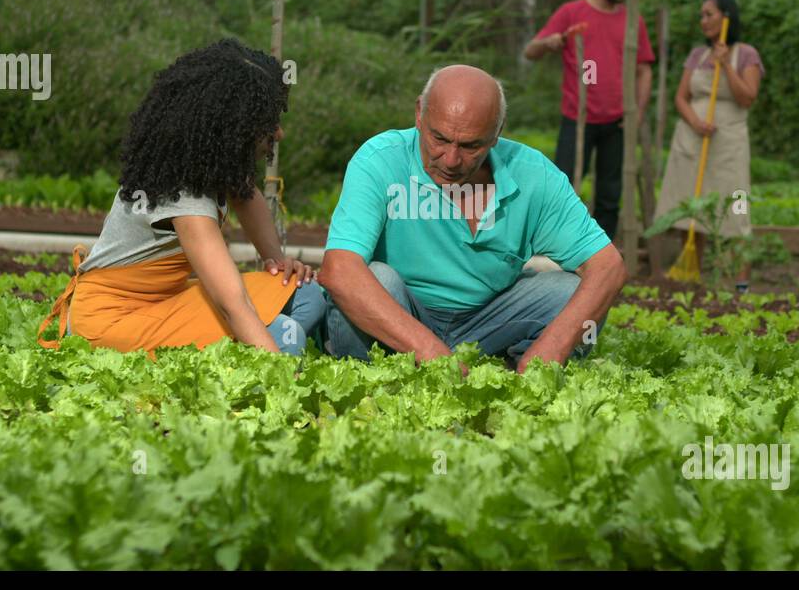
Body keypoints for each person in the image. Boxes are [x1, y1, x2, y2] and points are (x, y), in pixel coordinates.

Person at [319, 64, 627, 373]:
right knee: (377, 278)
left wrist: (554, 346)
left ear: (497, 132)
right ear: (418, 114)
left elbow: (608, 267)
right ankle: (375, 376)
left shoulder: (533, 175)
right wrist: (427, 348)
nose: (451, 160)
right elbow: (339, 270)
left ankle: (519, 375)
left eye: (470, 146)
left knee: (570, 293)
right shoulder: (380, 159)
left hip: (487, 321)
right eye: (438, 139)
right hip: (402, 313)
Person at [37, 38, 326, 357]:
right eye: (268, 123)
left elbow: (247, 195)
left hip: (163, 301)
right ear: (233, 128)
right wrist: (281, 377)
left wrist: (277, 261)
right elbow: (232, 305)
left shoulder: (208, 161)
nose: (279, 133)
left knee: (307, 292)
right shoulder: (185, 196)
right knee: (285, 336)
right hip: (111, 321)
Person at [523, 0, 654, 239]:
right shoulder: (572, 12)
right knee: (564, 187)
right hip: (577, 118)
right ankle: (559, 248)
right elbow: (531, 51)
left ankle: (602, 255)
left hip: (617, 121)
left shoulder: (633, 20)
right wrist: (550, 43)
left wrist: (638, 111)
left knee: (610, 193)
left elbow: (645, 69)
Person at [654, 0, 763, 291]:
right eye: (701, 15)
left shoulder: (746, 55)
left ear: (726, 17)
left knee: (736, 207)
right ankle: (695, 277)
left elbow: (747, 97)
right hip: (692, 139)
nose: (703, 21)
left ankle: (741, 281)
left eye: (709, 14)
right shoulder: (696, 56)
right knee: (695, 205)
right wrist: (695, 121)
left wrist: (726, 65)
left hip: (728, 145)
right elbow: (681, 97)